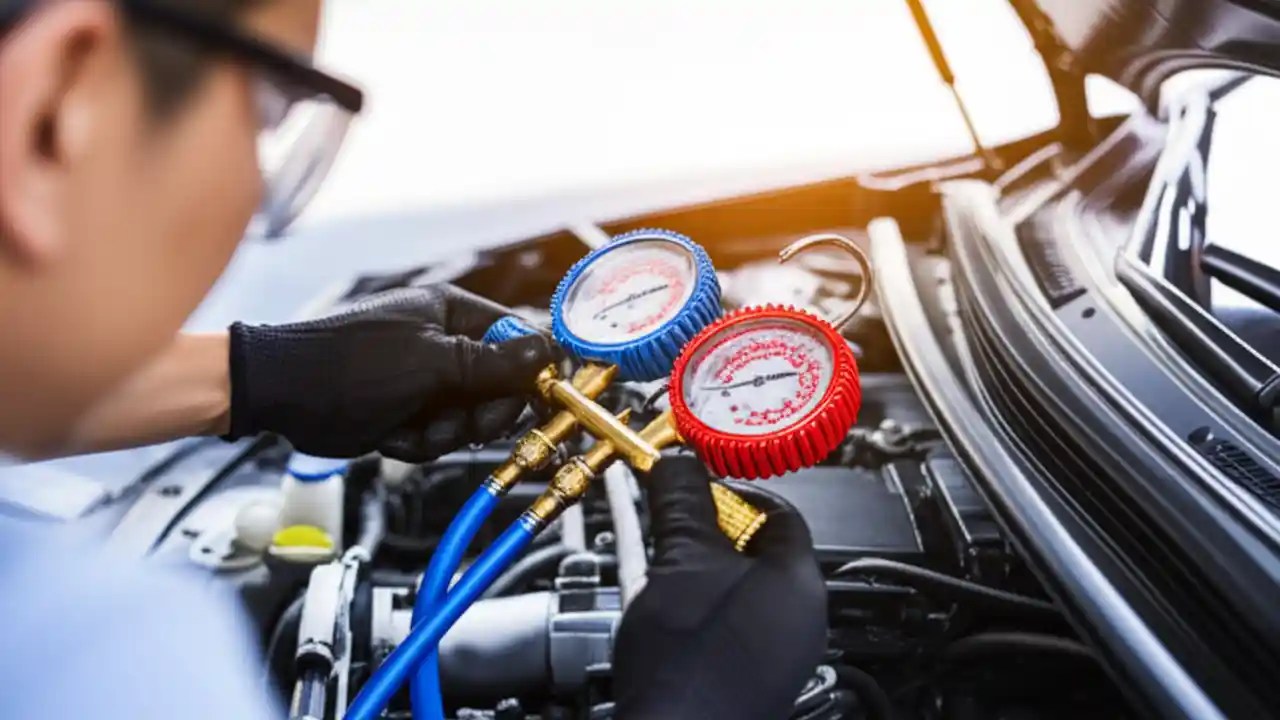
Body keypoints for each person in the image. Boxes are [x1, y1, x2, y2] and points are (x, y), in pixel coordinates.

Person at [0, 1, 826, 719]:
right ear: (61, 101)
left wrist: (251, 378)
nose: (258, 188)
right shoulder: (89, 657)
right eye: (271, 119)